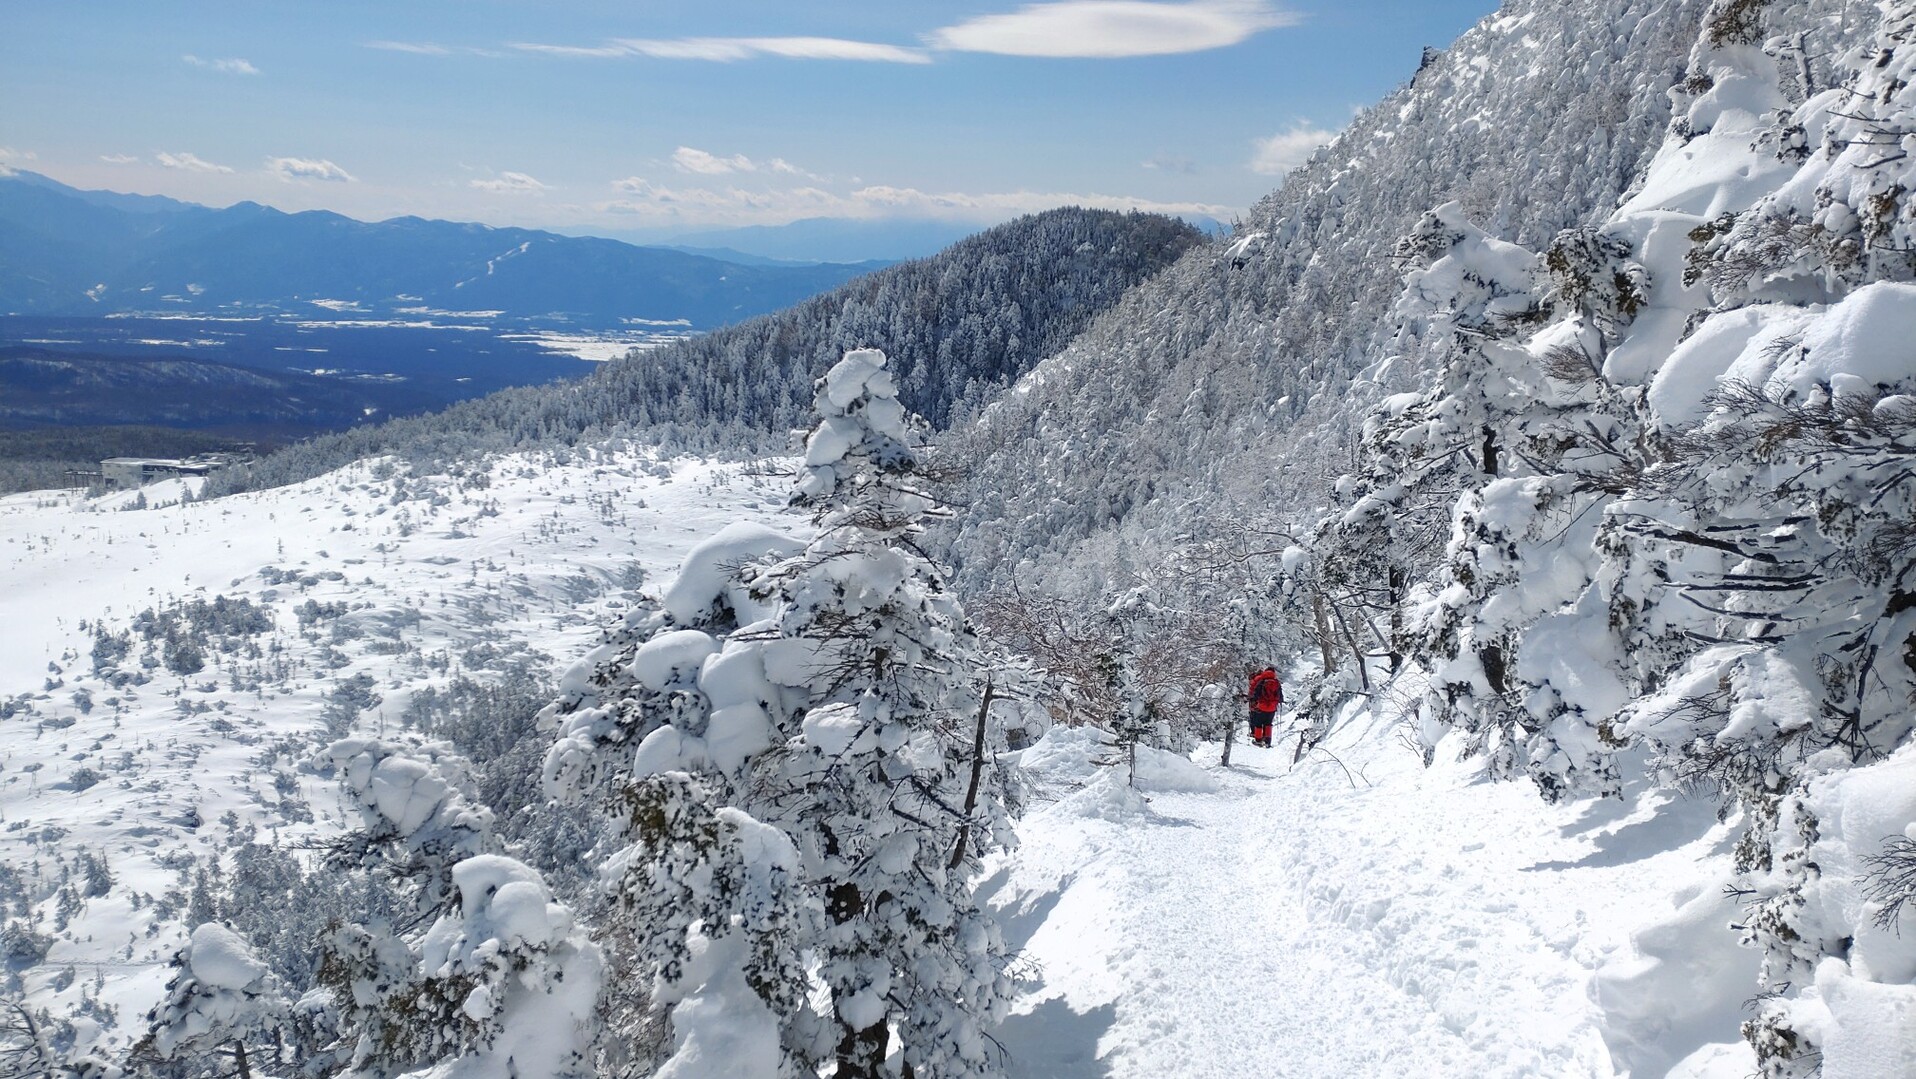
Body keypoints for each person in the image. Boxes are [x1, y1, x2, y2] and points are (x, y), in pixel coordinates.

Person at [1248, 667, 1282, 747]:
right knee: (1268, 723)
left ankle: (1258, 740)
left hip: (1262, 706)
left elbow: (1256, 693)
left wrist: (1253, 700)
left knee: (1258, 723)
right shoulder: (1276, 682)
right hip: (1272, 708)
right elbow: (1280, 696)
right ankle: (1268, 741)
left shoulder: (1262, 682)